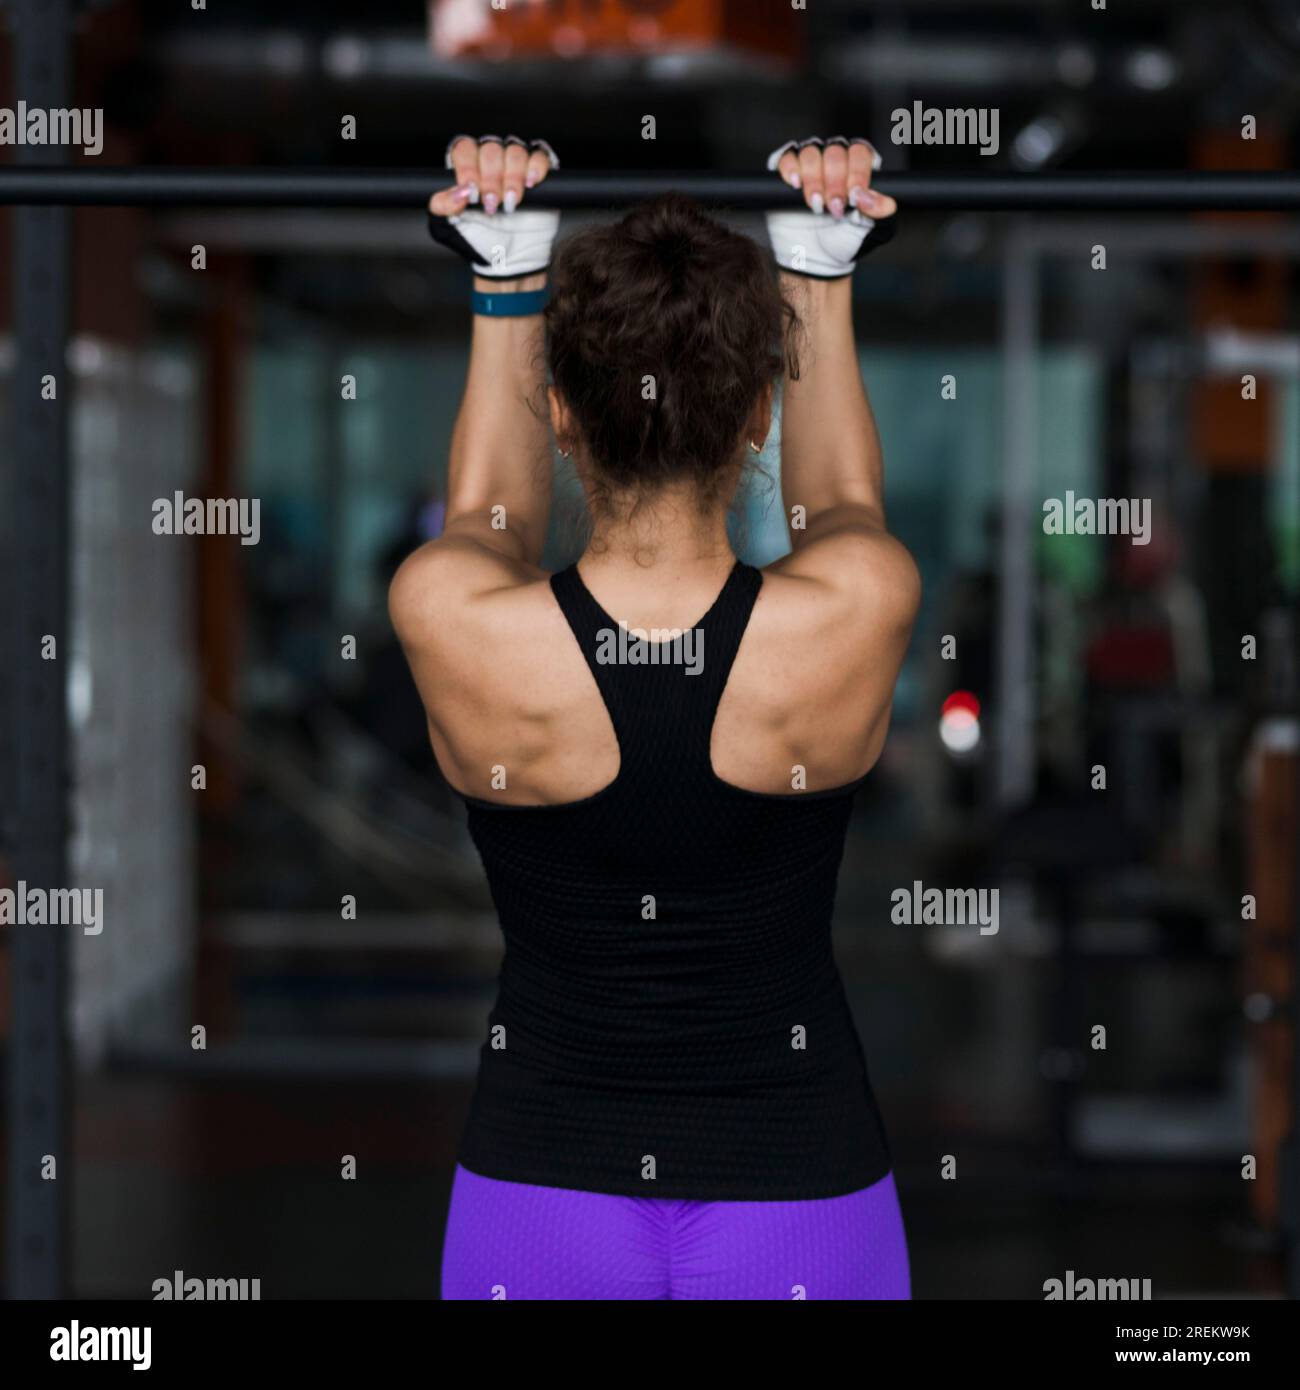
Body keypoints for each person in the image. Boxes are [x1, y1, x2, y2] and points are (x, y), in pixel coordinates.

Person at [391, 133, 921, 1300]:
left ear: (562, 415)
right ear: (753, 425)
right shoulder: (853, 612)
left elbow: (488, 520)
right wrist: (820, 272)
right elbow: (839, 503)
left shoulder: (454, 618)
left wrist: (505, 276)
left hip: (540, 1188)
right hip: (799, 1180)